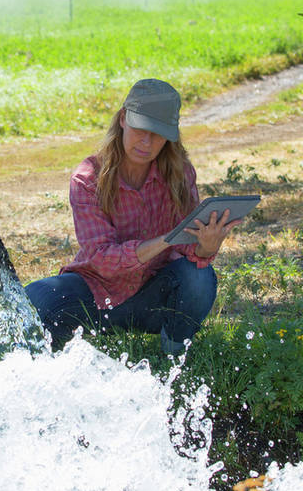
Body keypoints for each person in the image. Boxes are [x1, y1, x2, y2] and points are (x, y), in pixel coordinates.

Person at [25, 78, 241, 355]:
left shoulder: (179, 174)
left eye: (158, 134)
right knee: (38, 299)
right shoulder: (88, 177)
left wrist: (207, 246)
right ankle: (50, 364)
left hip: (154, 296)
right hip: (96, 292)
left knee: (200, 277)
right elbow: (102, 259)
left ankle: (174, 356)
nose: (147, 142)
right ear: (124, 118)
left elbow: (191, 251)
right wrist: (164, 240)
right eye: (141, 129)